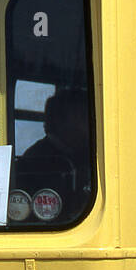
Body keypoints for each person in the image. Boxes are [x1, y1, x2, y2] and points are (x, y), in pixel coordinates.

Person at [13, 88, 91, 220]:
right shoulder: (35, 160)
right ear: (62, 121)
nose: (88, 124)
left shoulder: (83, 153)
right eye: (82, 116)